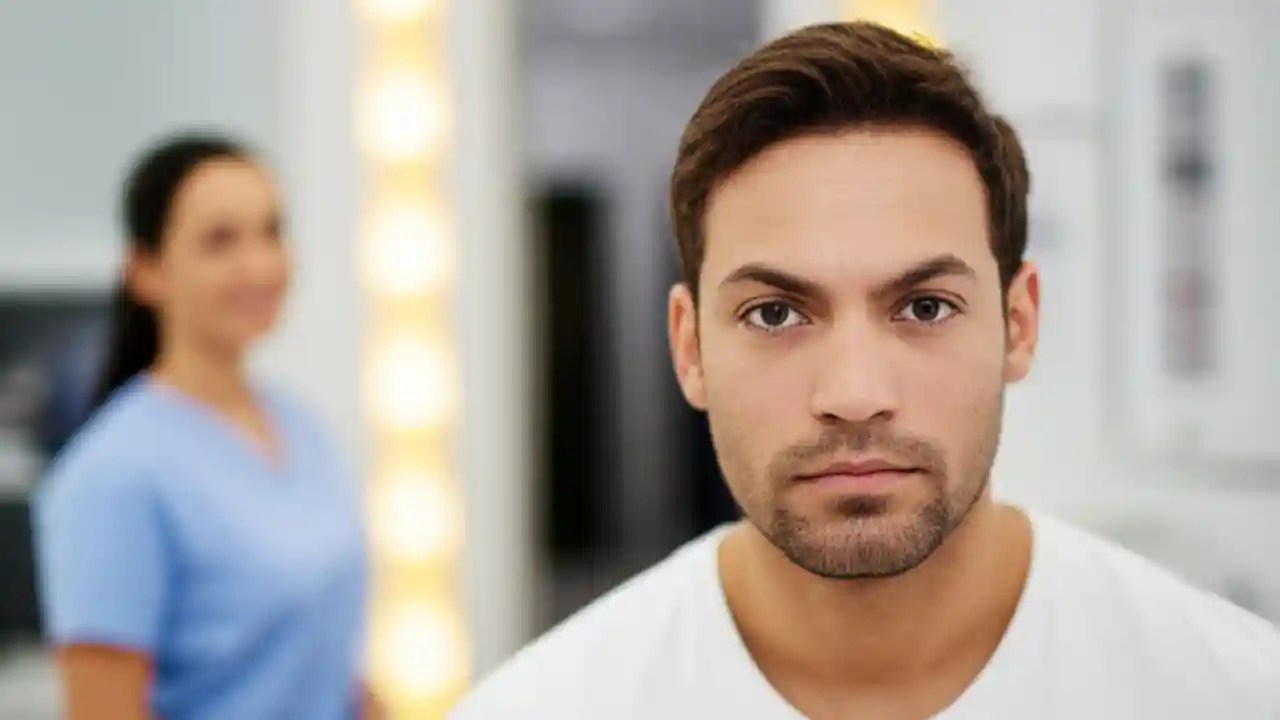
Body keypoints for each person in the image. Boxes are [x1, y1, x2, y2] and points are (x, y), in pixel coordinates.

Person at [452, 22, 1280, 720]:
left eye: (924, 307)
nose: (854, 395)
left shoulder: (1233, 692)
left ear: (1019, 324)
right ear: (690, 348)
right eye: (775, 314)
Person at [34, 135, 377, 719]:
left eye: (271, 232)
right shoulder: (111, 476)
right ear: (146, 272)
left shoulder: (301, 427)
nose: (261, 264)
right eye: (221, 241)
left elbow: (326, 664)